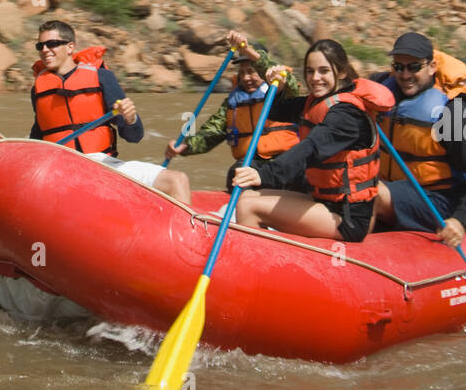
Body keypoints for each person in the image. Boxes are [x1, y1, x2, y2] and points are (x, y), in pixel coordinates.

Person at [230, 39, 394, 243]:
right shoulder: (317, 101)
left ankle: (253, 267)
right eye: (310, 71)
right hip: (324, 200)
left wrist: (264, 174)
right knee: (246, 197)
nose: (315, 78)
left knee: (249, 207)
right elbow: (274, 110)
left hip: (348, 217)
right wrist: (279, 88)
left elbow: (311, 148)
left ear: (341, 72)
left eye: (324, 71)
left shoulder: (347, 116)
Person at [31, 20, 191, 203]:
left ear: (70, 47)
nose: (44, 49)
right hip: (59, 168)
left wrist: (130, 118)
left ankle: (189, 231)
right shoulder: (38, 89)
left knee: (177, 180)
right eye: (40, 45)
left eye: (51, 44)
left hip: (100, 165)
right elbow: (36, 138)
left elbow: (134, 136)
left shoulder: (101, 77)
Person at [371, 31, 466, 249]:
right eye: (399, 67)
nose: (405, 75)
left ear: (431, 67)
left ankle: (354, 245)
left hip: (437, 200)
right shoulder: (380, 97)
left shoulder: (450, 113)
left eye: (414, 67)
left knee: (370, 193)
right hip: (396, 193)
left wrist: (461, 221)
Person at [165, 30, 301, 184]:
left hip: (284, 163)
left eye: (251, 72)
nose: (245, 78)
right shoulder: (233, 103)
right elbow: (212, 132)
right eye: (242, 73)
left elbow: (287, 80)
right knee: (235, 174)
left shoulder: (282, 91)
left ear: (264, 72)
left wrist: (250, 52)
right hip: (250, 165)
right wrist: (185, 146)